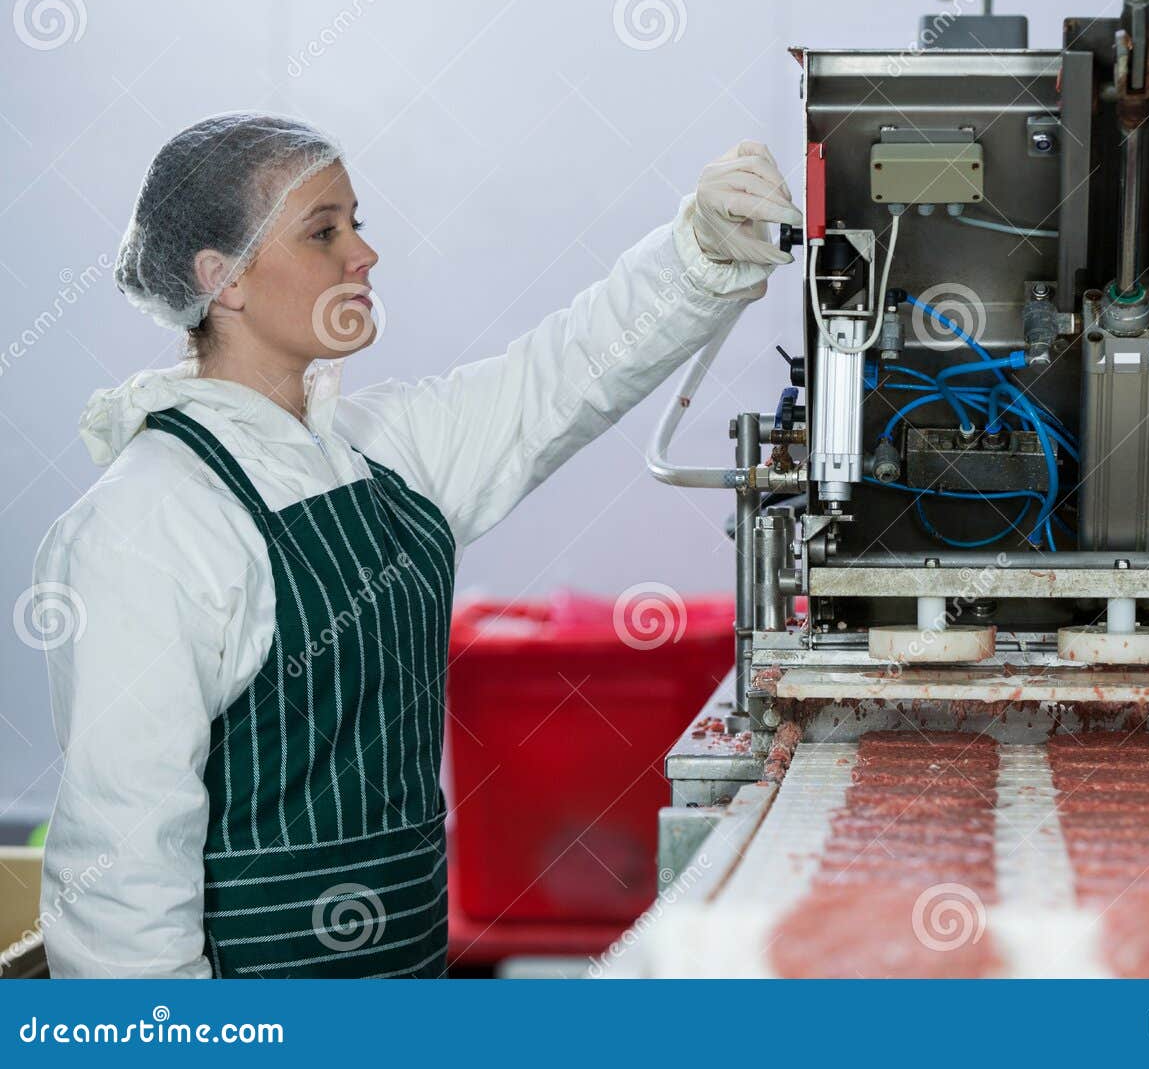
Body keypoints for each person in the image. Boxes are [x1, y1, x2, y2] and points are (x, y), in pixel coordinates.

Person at [32, 112, 800, 977]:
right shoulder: (148, 522)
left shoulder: (379, 453)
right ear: (224, 278)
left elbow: (563, 375)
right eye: (324, 232)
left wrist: (698, 251)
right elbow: (122, 876)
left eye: (356, 224)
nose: (363, 254)